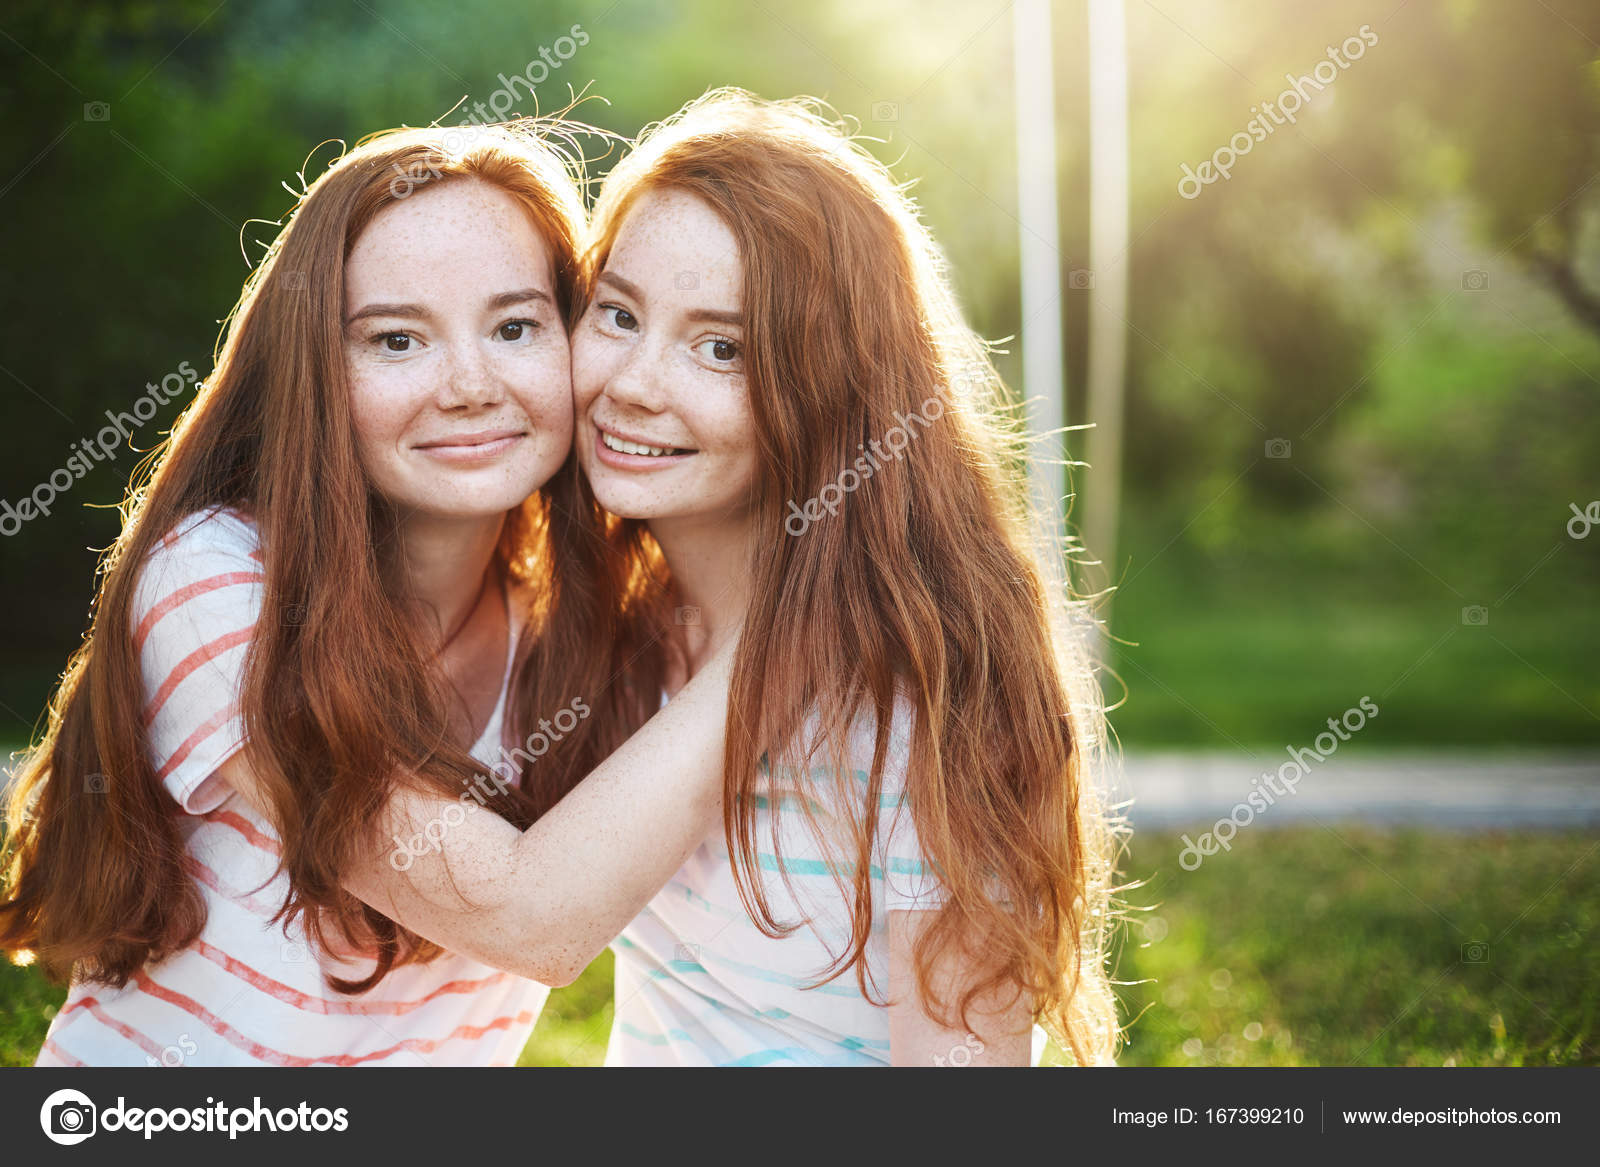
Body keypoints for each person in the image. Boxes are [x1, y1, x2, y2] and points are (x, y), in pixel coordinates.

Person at [2, 121, 736, 1066]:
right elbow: (526, 923)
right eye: (396, 340)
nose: (469, 384)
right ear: (317, 372)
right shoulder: (212, 585)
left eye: (515, 327)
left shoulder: (592, 632)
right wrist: (775, 633)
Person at [570, 90, 1124, 1067]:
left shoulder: (906, 697)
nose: (633, 381)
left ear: (831, 389)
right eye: (617, 312)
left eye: (720, 347)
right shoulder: (634, 628)